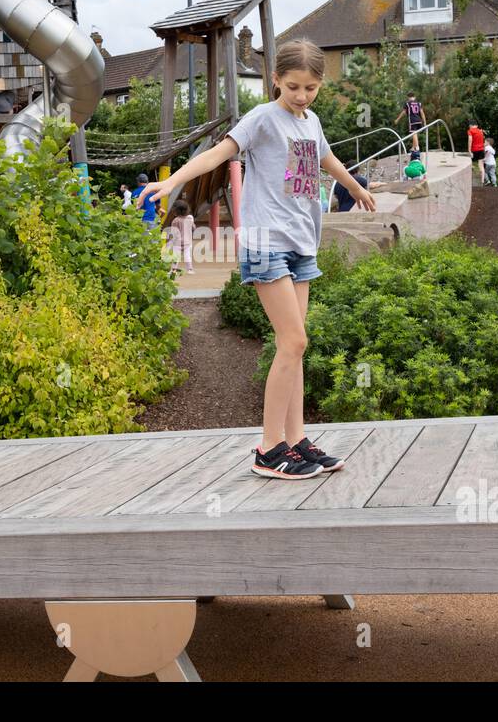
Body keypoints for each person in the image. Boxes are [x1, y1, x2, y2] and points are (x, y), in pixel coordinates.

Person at [136, 39, 377, 479]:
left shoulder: (311, 121)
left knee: (296, 346)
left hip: (302, 243)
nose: (301, 96)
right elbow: (217, 153)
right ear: (276, 81)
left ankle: (296, 440)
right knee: (294, 341)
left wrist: (356, 187)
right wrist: (172, 183)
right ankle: (268, 449)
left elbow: (326, 157)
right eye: (292, 87)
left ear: (320, 85)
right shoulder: (264, 119)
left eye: (310, 88)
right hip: (267, 241)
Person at [166, 199, 196, 275]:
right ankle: (190, 269)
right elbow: (194, 228)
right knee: (187, 256)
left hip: (177, 242)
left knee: (175, 257)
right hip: (188, 241)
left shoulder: (175, 220)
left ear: (175, 211)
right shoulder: (190, 218)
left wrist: (169, 241)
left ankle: (173, 270)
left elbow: (173, 232)